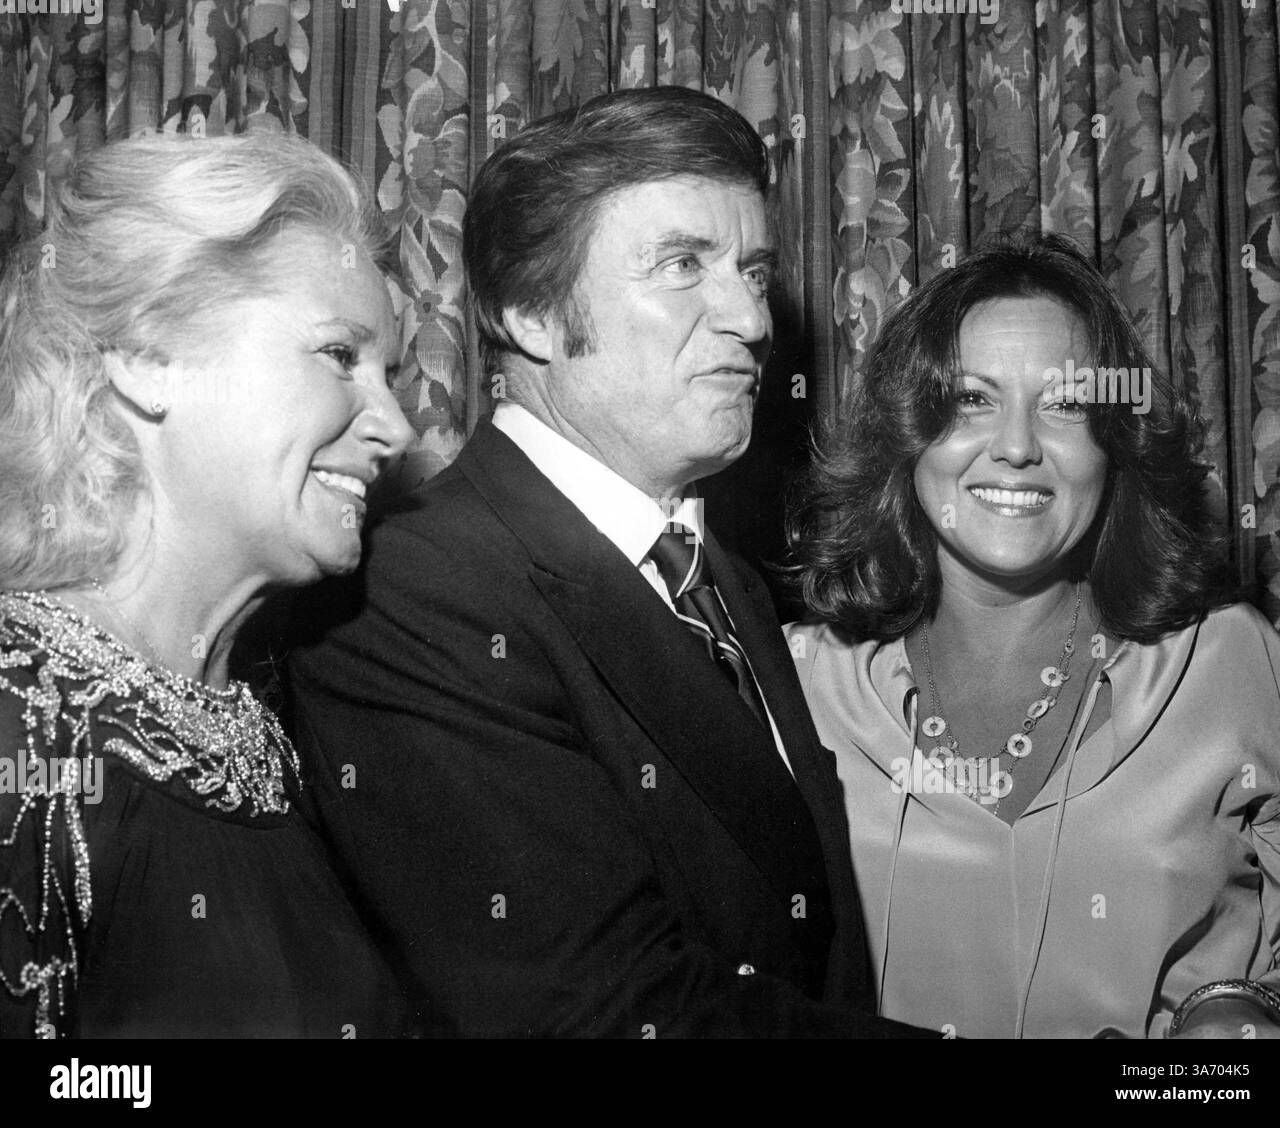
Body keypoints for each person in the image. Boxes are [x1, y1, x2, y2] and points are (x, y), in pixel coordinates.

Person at [285, 86, 933, 1038]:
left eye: (753, 271)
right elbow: (601, 1011)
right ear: (530, 313)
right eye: (682, 264)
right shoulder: (413, 592)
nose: (750, 320)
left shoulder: (723, 578)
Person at [784, 234, 1280, 1039]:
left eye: (1063, 404)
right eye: (970, 401)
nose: (1018, 447)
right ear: (907, 438)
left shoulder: (1233, 662)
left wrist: (1250, 1009)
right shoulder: (792, 688)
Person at [0, 131, 416, 1037]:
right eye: (341, 356)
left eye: (391, 374)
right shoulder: (20, 724)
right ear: (150, 357)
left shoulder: (263, 727)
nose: (396, 427)